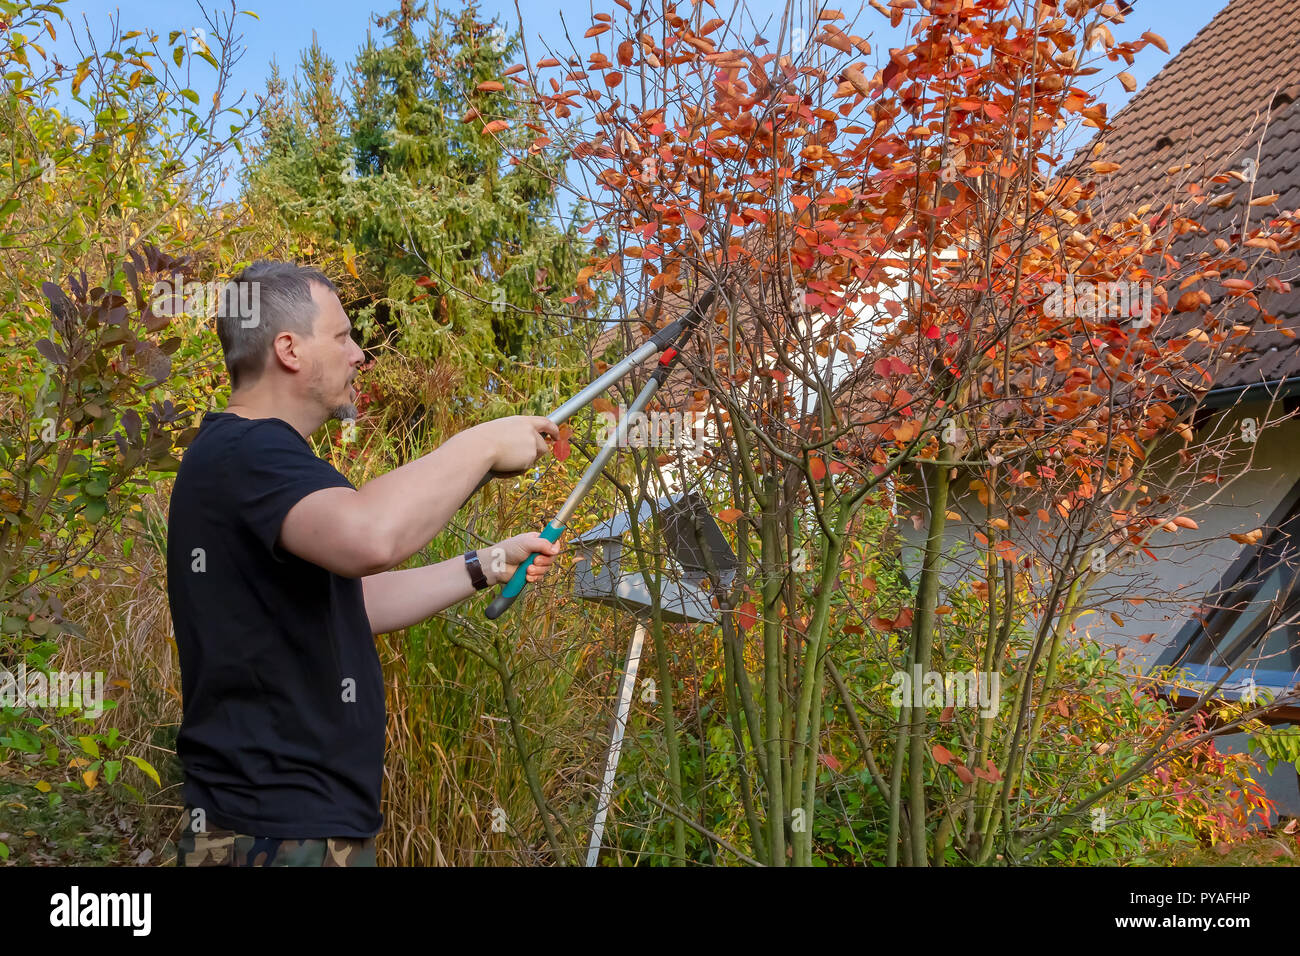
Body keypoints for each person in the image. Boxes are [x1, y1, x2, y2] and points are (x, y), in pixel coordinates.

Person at [166, 260, 559, 866]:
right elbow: (373, 537)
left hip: (292, 827)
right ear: (289, 349)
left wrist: (486, 563)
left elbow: (351, 603)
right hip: (273, 829)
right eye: (343, 336)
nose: (359, 355)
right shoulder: (251, 450)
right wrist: (483, 442)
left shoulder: (253, 461)